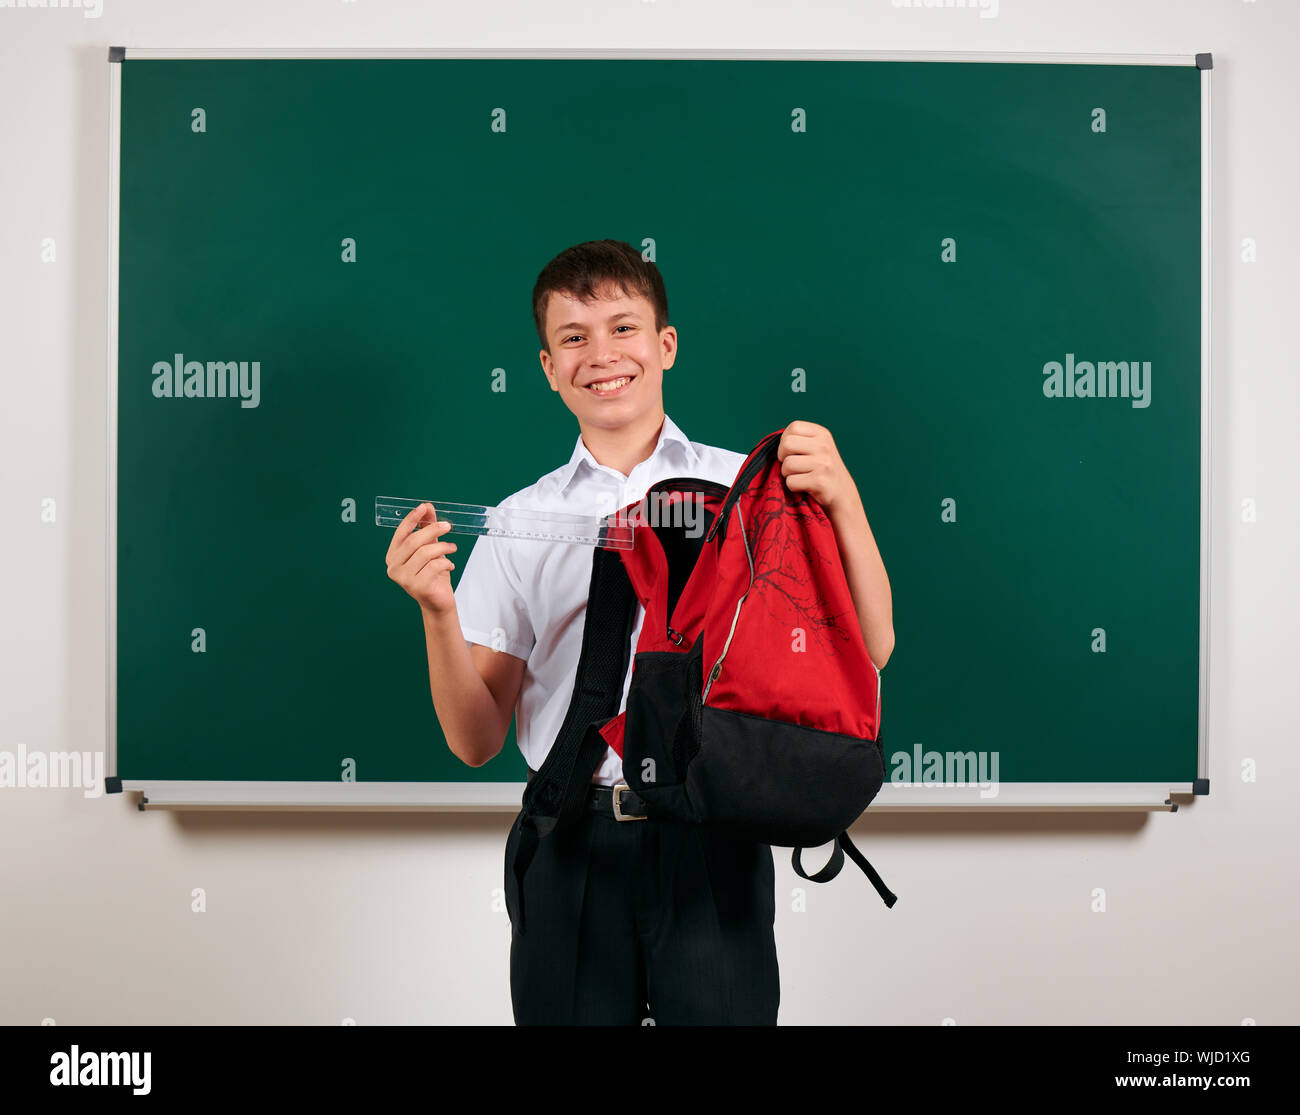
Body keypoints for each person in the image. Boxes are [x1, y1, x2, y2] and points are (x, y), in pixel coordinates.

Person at [385, 239, 894, 1025]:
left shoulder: (747, 492)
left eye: (623, 328)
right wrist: (437, 613)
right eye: (574, 338)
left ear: (665, 345)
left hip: (712, 833)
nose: (602, 354)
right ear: (549, 367)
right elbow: (475, 737)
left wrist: (846, 501)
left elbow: (872, 646)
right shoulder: (519, 523)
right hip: (573, 840)